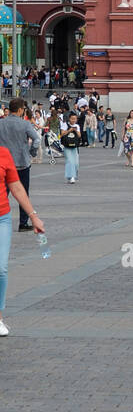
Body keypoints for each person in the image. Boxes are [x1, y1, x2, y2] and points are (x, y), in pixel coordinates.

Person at [0, 144, 47, 337]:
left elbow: (16, 186)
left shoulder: (3, 153)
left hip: (1, 217)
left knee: (0, 268)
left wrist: (33, 215)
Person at [0, 98, 41, 230]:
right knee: (23, 193)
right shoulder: (25, 125)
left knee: (3, 192)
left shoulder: (1, 123)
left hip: (4, 164)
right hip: (22, 164)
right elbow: (36, 140)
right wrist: (32, 153)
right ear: (19, 110)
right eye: (23, 109)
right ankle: (23, 222)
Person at [61, 115, 82, 182]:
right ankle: (71, 177)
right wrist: (69, 130)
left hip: (74, 146)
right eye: (72, 119)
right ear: (69, 119)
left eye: (75, 119)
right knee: (70, 161)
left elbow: (79, 135)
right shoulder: (65, 125)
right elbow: (61, 134)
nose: (73, 120)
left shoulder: (77, 126)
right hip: (67, 146)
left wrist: (75, 130)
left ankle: (73, 175)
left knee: (76, 162)